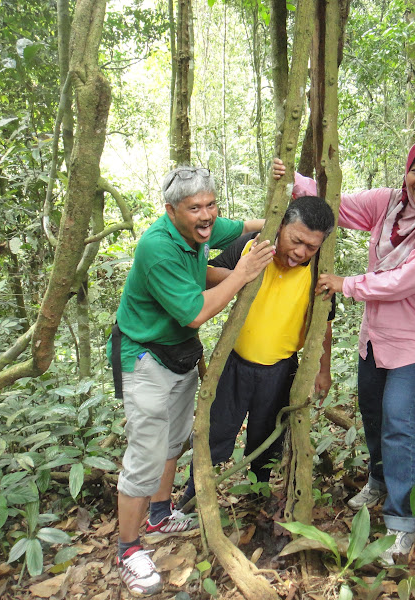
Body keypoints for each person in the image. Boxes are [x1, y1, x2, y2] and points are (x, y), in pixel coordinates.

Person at [273, 138, 415, 566]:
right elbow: (333, 203)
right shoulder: (388, 204)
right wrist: (293, 178)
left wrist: (348, 284)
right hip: (376, 337)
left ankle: (403, 522)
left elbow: (405, 281)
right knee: (373, 413)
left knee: (398, 418)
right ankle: (380, 480)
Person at [108, 166, 274, 596]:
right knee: (145, 451)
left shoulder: (205, 228)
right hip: (145, 355)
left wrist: (283, 214)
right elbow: (195, 312)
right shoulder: (157, 247)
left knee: (174, 439)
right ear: (171, 211)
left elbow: (245, 226)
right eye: (194, 208)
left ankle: (159, 514)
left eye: (210, 205)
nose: (205, 216)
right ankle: (128, 550)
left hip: (180, 354)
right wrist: (243, 272)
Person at [179, 195, 336, 508]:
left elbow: (324, 326)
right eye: (296, 240)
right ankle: (190, 499)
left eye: (311, 247)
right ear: (280, 229)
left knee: (267, 437)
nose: (301, 252)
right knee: (216, 431)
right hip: (234, 363)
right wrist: (245, 274)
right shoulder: (254, 246)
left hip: (280, 369)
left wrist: (323, 370)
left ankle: (258, 496)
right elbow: (207, 273)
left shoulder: (318, 273)